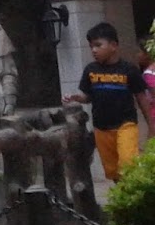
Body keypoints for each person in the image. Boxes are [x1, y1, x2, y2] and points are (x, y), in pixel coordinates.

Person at [63, 22, 149, 182]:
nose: (94, 50)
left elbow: (142, 98)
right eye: (91, 46)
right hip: (101, 128)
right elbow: (87, 96)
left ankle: (134, 199)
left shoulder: (129, 70)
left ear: (113, 45)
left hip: (126, 124)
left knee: (128, 164)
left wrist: (152, 126)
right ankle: (122, 200)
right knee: (113, 171)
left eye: (98, 45)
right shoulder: (90, 70)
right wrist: (76, 98)